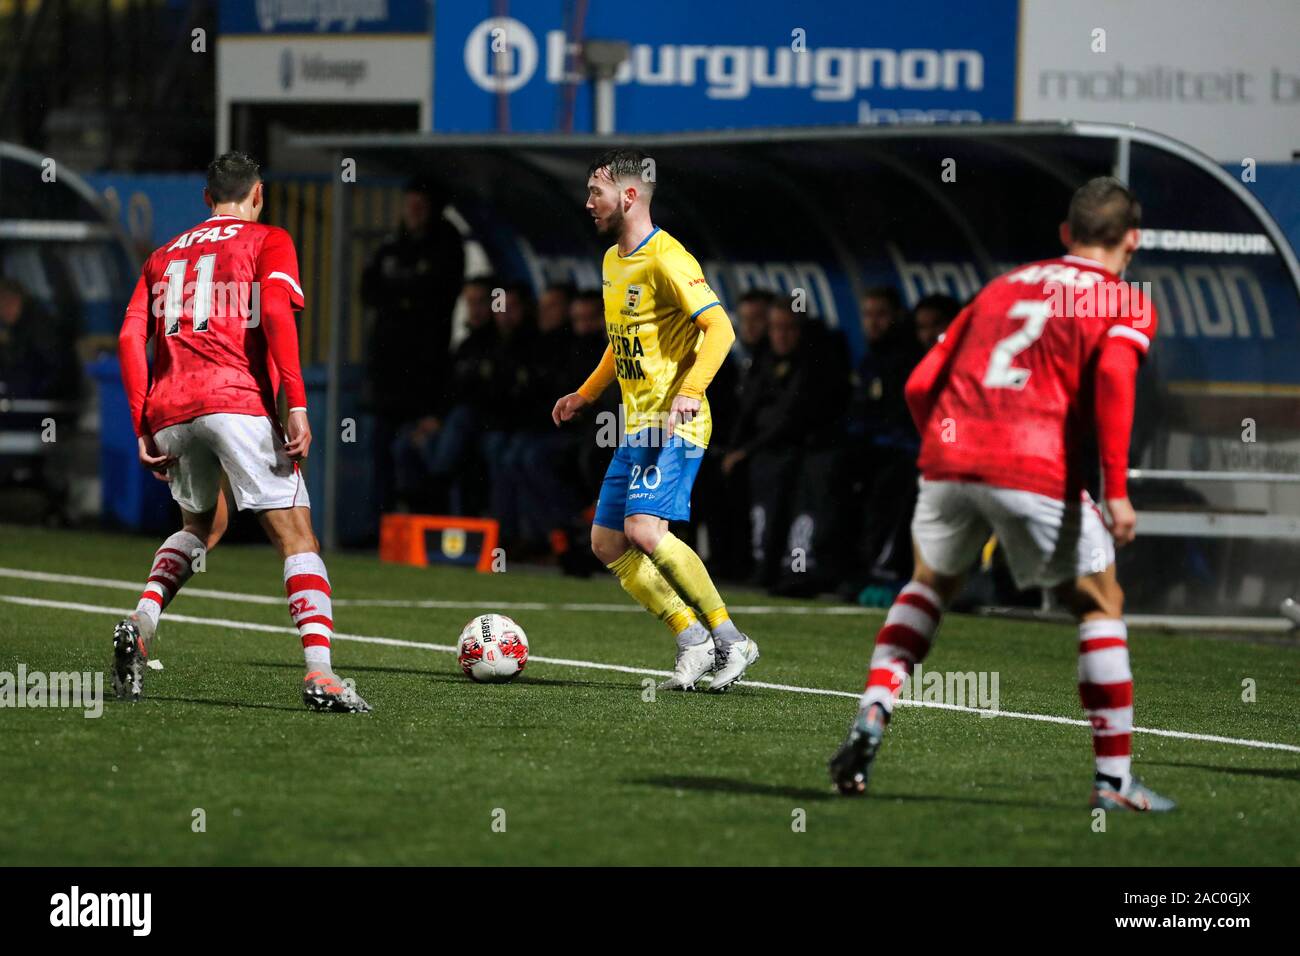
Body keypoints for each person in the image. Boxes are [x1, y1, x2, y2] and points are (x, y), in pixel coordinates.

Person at [829, 177, 1174, 812]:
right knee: (1099, 603)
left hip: (948, 458)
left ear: (1066, 235)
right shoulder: (1123, 300)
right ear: (1133, 240)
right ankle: (1115, 782)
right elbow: (1117, 377)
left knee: (929, 584)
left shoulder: (1002, 287)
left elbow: (919, 383)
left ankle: (876, 703)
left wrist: (948, 452)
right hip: (1034, 465)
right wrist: (1117, 490)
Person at [115, 151, 369, 713]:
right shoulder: (268, 238)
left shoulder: (161, 256)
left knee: (203, 525)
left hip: (173, 409)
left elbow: (132, 338)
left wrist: (142, 420)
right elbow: (276, 313)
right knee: (296, 536)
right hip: (236, 401)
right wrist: (297, 404)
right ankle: (321, 675)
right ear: (258, 194)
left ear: (207, 199)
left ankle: (143, 619)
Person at [551, 148, 758, 692]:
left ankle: (731, 639)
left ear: (628, 196)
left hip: (676, 423)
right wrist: (585, 394)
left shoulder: (668, 258)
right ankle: (690, 637)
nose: (587, 202)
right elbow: (621, 344)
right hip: (635, 423)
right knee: (605, 541)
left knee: (642, 531)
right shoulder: (612, 262)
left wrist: (691, 391)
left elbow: (721, 331)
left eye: (595, 192)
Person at [360, 178, 465, 513]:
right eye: (410, 206)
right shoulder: (391, 246)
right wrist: (407, 293)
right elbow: (367, 291)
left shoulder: (446, 243)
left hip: (423, 372)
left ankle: (418, 521)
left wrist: (402, 294)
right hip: (386, 371)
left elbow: (435, 294)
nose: (413, 213)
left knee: (411, 448)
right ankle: (382, 524)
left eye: (420, 207)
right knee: (379, 446)